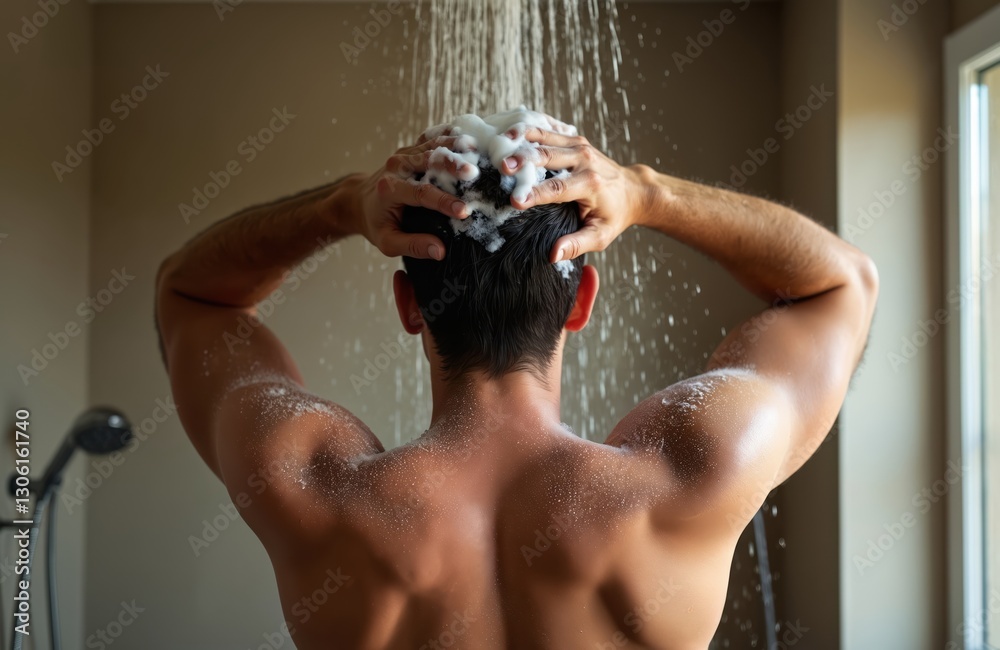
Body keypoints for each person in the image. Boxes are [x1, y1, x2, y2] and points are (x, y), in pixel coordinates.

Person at [155, 121, 878, 649]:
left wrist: (342, 206)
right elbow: (840, 284)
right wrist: (645, 195)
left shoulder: (309, 479)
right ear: (582, 299)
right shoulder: (689, 471)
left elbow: (189, 292)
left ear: (410, 306)